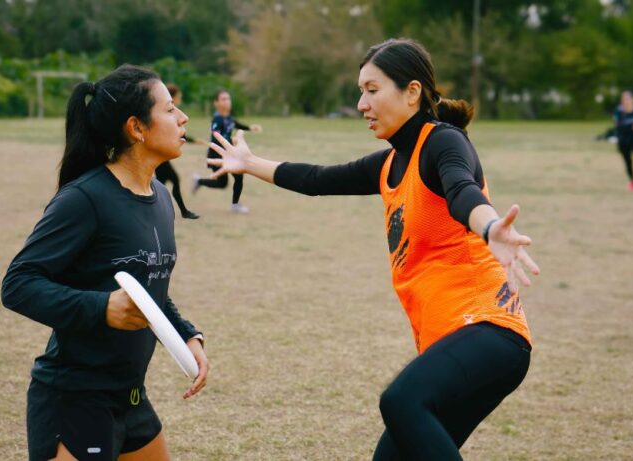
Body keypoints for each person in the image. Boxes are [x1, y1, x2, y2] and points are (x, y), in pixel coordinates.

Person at [207, 39, 540, 460]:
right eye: (360, 91)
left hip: (490, 329)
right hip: (450, 339)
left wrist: (490, 226)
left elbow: (461, 190)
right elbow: (317, 179)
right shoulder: (387, 165)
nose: (362, 103)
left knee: (400, 402)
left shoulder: (443, 142)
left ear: (413, 91)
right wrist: (249, 164)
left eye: (372, 89)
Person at [1, 65, 209, 461]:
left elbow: (147, 290)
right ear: (137, 128)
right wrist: (101, 308)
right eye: (169, 110)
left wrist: (186, 334)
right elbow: (18, 283)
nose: (182, 118)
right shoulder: (85, 198)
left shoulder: (161, 199)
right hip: (74, 399)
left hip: (130, 396)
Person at [193, 89, 262, 214]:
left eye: (228, 98)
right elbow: (216, 136)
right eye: (223, 99)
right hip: (217, 154)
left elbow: (236, 124)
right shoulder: (217, 119)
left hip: (229, 153)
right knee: (222, 183)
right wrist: (231, 140)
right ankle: (199, 181)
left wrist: (250, 128)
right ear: (216, 103)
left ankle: (235, 205)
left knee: (239, 177)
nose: (227, 101)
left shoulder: (229, 117)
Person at [154, 83, 203, 219]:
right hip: (160, 156)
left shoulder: (167, 112)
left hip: (162, 156)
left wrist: (193, 140)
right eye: (179, 96)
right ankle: (183, 211)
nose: (180, 99)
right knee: (171, 180)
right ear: (173, 97)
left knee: (160, 184)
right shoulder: (166, 113)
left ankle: (158, 210)